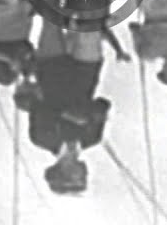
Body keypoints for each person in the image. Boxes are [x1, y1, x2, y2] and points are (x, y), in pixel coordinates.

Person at [25, 19, 113, 195]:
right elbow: (103, 105)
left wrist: (67, 114)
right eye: (83, 179)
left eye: (78, 178)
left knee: (51, 18)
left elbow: (37, 107)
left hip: (50, 69)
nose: (85, 175)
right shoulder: (92, 138)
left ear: (62, 173)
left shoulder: (41, 139)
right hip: (86, 72)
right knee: (89, 22)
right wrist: (91, 115)